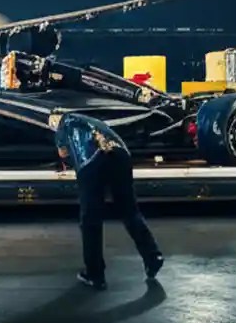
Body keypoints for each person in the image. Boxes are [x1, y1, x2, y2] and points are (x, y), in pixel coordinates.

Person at [52, 112, 164, 290]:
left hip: (91, 161)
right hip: (121, 155)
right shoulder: (94, 121)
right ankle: (153, 256)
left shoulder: (62, 125)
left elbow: (64, 154)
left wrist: (67, 162)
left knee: (91, 220)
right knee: (129, 210)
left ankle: (95, 274)